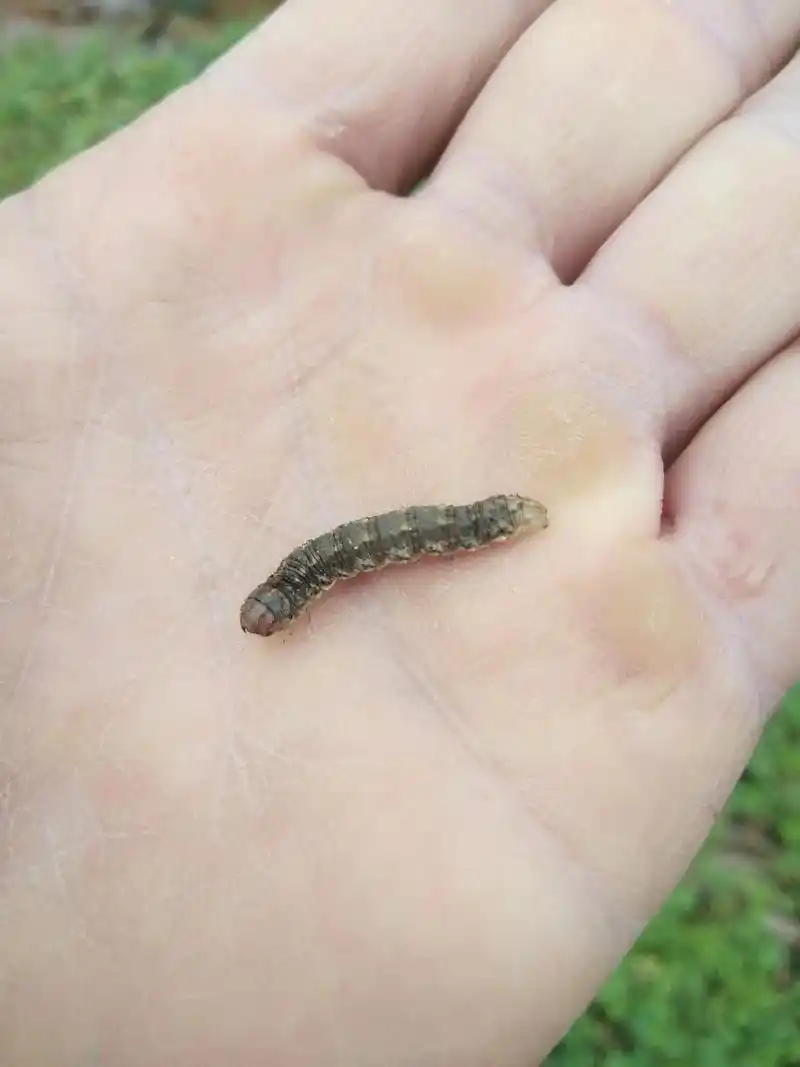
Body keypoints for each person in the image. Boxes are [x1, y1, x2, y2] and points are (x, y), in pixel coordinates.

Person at [1, 2, 798, 1063]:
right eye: (277, 611)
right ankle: (497, 520)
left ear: (290, 600)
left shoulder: (319, 569)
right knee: (446, 527)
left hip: (459, 522)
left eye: (274, 612)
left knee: (460, 524)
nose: (275, 616)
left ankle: (501, 520)